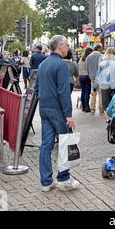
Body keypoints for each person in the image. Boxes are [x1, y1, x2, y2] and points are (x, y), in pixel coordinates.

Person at [34, 35, 79, 192]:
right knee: (65, 142)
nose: (68, 48)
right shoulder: (61, 65)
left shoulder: (43, 64)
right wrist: (68, 115)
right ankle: (64, 179)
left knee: (46, 145)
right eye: (67, 45)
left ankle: (46, 181)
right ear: (60, 46)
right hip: (58, 111)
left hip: (44, 108)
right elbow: (64, 92)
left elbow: (36, 87)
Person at [93, 47, 115, 119]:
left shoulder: (102, 63)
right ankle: (113, 120)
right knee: (113, 104)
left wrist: (95, 87)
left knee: (105, 105)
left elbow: (98, 76)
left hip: (104, 86)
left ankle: (108, 121)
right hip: (114, 86)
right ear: (114, 54)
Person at [87, 44, 104, 114]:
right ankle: (101, 109)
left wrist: (90, 75)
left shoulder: (89, 56)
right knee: (100, 93)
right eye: (102, 49)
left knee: (93, 93)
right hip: (100, 77)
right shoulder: (101, 56)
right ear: (99, 49)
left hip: (92, 77)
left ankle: (92, 109)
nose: (102, 50)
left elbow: (87, 67)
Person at [78, 48, 93, 112]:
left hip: (81, 76)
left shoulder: (81, 59)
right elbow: (89, 68)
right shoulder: (88, 59)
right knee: (87, 92)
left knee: (83, 92)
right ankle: (87, 107)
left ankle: (83, 107)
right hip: (87, 76)